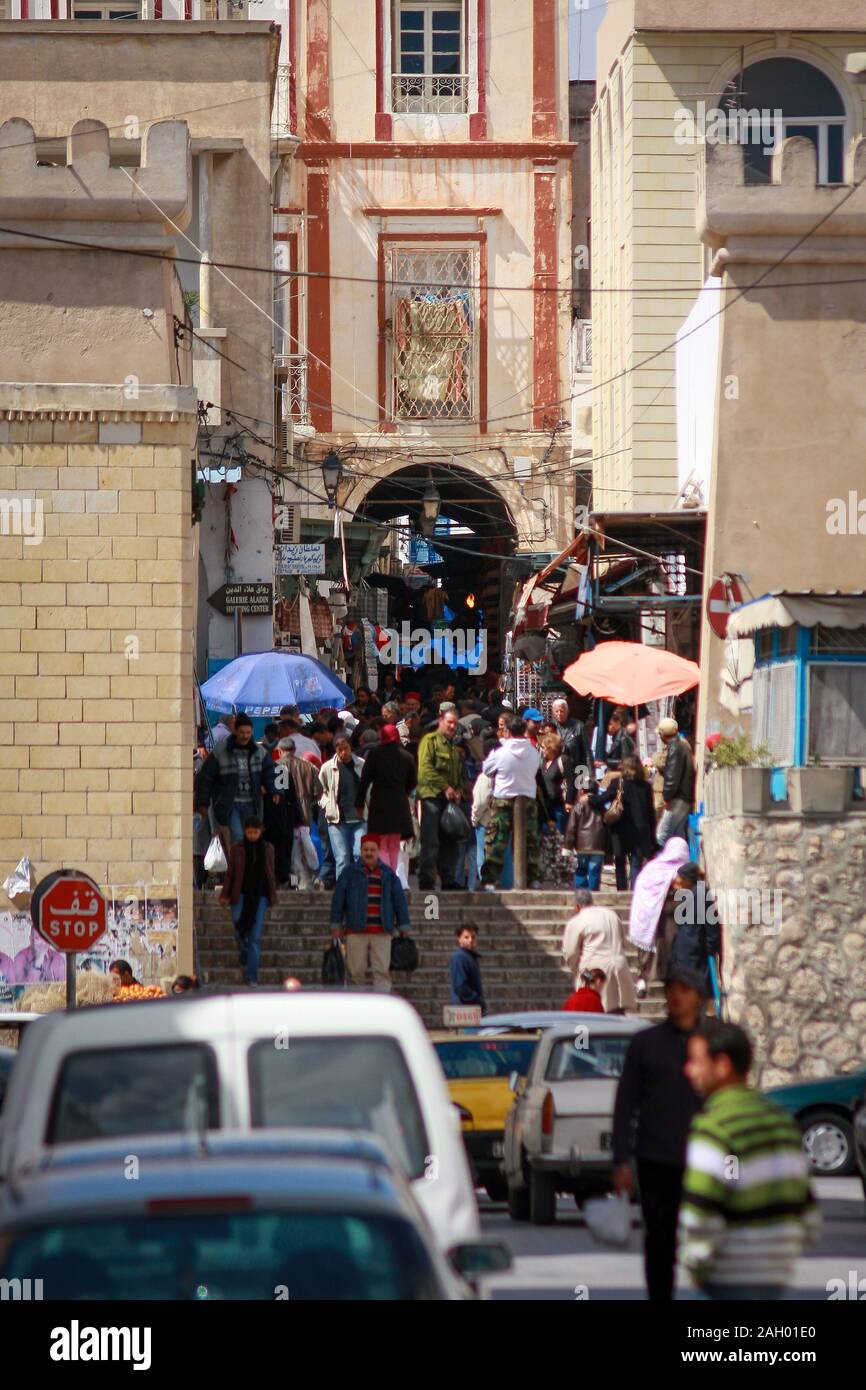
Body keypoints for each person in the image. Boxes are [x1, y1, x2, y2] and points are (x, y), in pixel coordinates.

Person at [679, 1021, 821, 1300]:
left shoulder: (715, 1127)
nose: (688, 1070)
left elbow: (701, 1212)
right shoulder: (780, 1121)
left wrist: (695, 1262)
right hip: (775, 1273)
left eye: (696, 1061)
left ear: (722, 1065)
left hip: (728, 1272)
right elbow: (806, 1206)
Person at [612, 966, 705, 1301]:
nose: (676, 995)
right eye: (671, 988)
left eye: (684, 988)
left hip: (705, 1162)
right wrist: (622, 1160)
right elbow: (625, 1105)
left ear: (699, 996)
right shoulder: (645, 1044)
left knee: (708, 1240)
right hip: (656, 1160)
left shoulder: (716, 1043)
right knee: (660, 1241)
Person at [329, 834, 410, 991]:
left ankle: (381, 1009)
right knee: (355, 973)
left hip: (382, 930)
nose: (369, 853)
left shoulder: (389, 875)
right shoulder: (349, 873)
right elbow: (338, 901)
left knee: (382, 972)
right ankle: (358, 1010)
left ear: (378, 851)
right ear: (361, 850)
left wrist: (404, 926)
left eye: (372, 850)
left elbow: (400, 902)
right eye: (365, 849)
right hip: (355, 930)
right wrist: (335, 925)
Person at [195, 712, 280, 853]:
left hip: (252, 804)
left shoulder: (259, 752)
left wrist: (275, 790)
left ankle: (249, 870)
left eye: (248, 732)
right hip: (230, 804)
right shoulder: (221, 751)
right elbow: (206, 777)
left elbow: (270, 772)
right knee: (238, 838)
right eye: (242, 732)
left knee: (251, 839)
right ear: (235, 731)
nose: (245, 736)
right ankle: (237, 871)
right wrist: (202, 802)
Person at [480, 716, 542, 888]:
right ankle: (533, 878)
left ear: (507, 731)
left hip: (503, 798)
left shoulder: (500, 752)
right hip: (528, 798)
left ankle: (490, 879)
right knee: (530, 840)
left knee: (497, 840)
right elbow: (536, 768)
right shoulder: (534, 752)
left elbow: (486, 770)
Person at [627, 835, 691, 999]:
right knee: (669, 948)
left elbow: (641, 888)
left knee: (649, 951)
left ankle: (643, 981)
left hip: (647, 916)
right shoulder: (683, 871)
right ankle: (663, 983)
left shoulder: (652, 868)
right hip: (668, 918)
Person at [220, 815, 277, 986]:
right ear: (245, 832)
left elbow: (270, 872)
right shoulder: (237, 849)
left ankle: (252, 976)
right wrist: (225, 894)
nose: (252, 835)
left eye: (255, 832)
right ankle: (244, 954)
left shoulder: (267, 849)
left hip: (260, 897)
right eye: (250, 832)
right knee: (239, 930)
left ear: (260, 832)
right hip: (240, 895)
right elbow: (231, 874)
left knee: (255, 937)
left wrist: (272, 893)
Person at [561, 888, 637, 1014]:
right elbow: (622, 941)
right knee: (617, 1011)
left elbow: (570, 953)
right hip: (619, 967)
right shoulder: (611, 914)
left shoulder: (577, 921)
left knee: (595, 1010)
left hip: (594, 971)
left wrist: (577, 970)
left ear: (577, 907)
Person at [355, 723, 417, 874]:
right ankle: (392, 873)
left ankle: (384, 874)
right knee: (394, 843)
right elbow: (413, 782)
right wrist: (405, 792)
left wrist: (359, 804)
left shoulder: (375, 755)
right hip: (399, 804)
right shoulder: (407, 756)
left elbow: (364, 781)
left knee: (381, 842)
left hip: (380, 804)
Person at [416, 708, 464, 891]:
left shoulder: (453, 746)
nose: (452, 726)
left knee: (450, 841)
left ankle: (448, 879)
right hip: (431, 798)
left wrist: (457, 790)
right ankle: (427, 880)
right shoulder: (430, 741)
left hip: (449, 801)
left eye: (455, 723)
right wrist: (446, 787)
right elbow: (425, 770)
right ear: (441, 721)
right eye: (449, 722)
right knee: (430, 841)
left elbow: (457, 773)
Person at [669, 861, 722, 999]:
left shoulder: (700, 894)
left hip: (694, 951)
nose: (678, 880)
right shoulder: (691, 893)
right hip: (687, 949)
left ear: (688, 878)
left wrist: (710, 948)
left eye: (681, 877)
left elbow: (712, 925)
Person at [319, 735, 368, 878]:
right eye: (340, 750)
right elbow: (321, 790)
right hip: (337, 819)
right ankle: (343, 891)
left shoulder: (360, 764)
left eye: (346, 749)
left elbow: (369, 787)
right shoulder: (327, 767)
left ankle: (360, 887)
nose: (343, 753)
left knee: (360, 854)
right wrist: (327, 804)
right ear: (335, 750)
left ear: (350, 747)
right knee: (342, 858)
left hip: (359, 818)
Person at [609, 754, 657, 891]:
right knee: (636, 862)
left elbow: (604, 798)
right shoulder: (646, 786)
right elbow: (650, 812)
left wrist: (590, 798)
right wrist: (652, 838)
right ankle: (635, 892)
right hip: (640, 829)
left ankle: (621, 890)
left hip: (620, 829)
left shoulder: (618, 782)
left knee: (619, 861)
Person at [563, 778, 609, 890]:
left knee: (580, 871)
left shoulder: (579, 805)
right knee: (594, 873)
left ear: (583, 790)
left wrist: (568, 846)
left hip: (582, 845)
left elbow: (571, 826)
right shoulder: (601, 805)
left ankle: (582, 897)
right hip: (598, 845)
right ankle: (593, 898)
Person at [656, 717, 694, 847]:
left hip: (677, 799)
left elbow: (672, 777)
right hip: (685, 797)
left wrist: (667, 797)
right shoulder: (684, 745)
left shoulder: (675, 747)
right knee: (678, 838)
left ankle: (660, 865)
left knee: (662, 836)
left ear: (662, 734)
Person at [550, 696, 590, 784]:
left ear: (567, 712)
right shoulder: (550, 727)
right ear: (553, 713)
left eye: (562, 711)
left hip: (577, 768)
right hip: (557, 772)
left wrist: (587, 776)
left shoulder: (579, 726)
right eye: (556, 711)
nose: (559, 714)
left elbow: (586, 753)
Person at [449, 926, 486, 1011]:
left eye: (473, 937)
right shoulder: (459, 957)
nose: (470, 940)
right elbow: (460, 986)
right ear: (459, 939)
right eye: (466, 937)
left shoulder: (469, 957)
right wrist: (477, 1000)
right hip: (465, 1011)